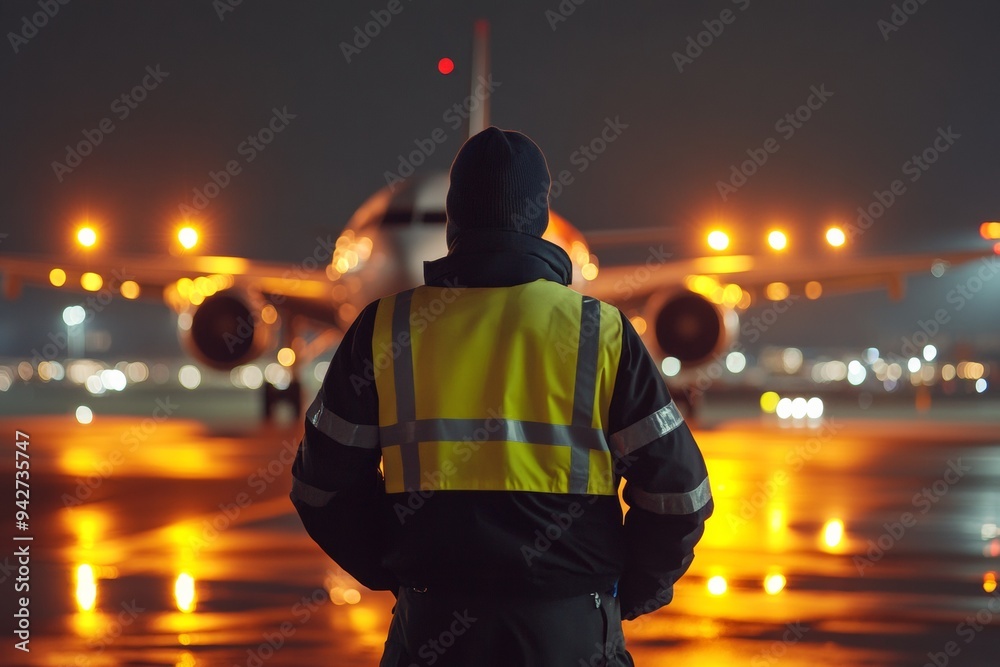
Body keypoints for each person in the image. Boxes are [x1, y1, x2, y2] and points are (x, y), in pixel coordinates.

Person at [290, 127, 713, 666]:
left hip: (432, 632)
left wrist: (395, 570)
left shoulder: (386, 327)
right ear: (541, 220)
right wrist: (629, 590)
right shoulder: (600, 331)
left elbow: (320, 487)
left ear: (453, 219)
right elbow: (679, 495)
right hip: (570, 632)